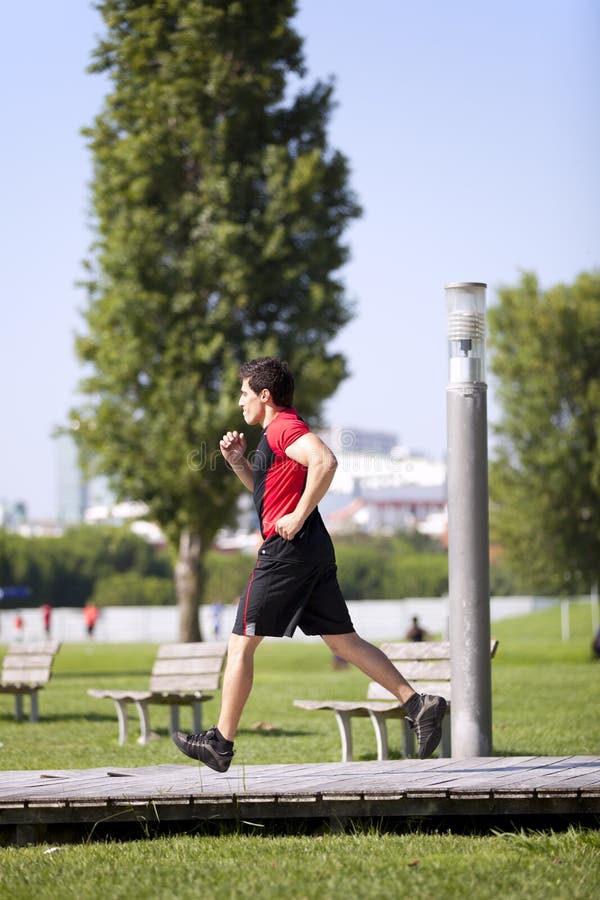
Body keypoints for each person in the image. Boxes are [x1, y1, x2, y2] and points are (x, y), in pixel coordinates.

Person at [172, 357, 446, 772]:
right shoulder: (274, 435)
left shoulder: (284, 428)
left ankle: (220, 743)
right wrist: (239, 464)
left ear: (265, 396)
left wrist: (298, 515)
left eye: (244, 392)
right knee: (343, 641)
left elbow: (325, 460)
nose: (239, 401)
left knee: (240, 643)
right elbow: (268, 495)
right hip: (311, 550)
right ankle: (417, 703)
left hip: (287, 553)